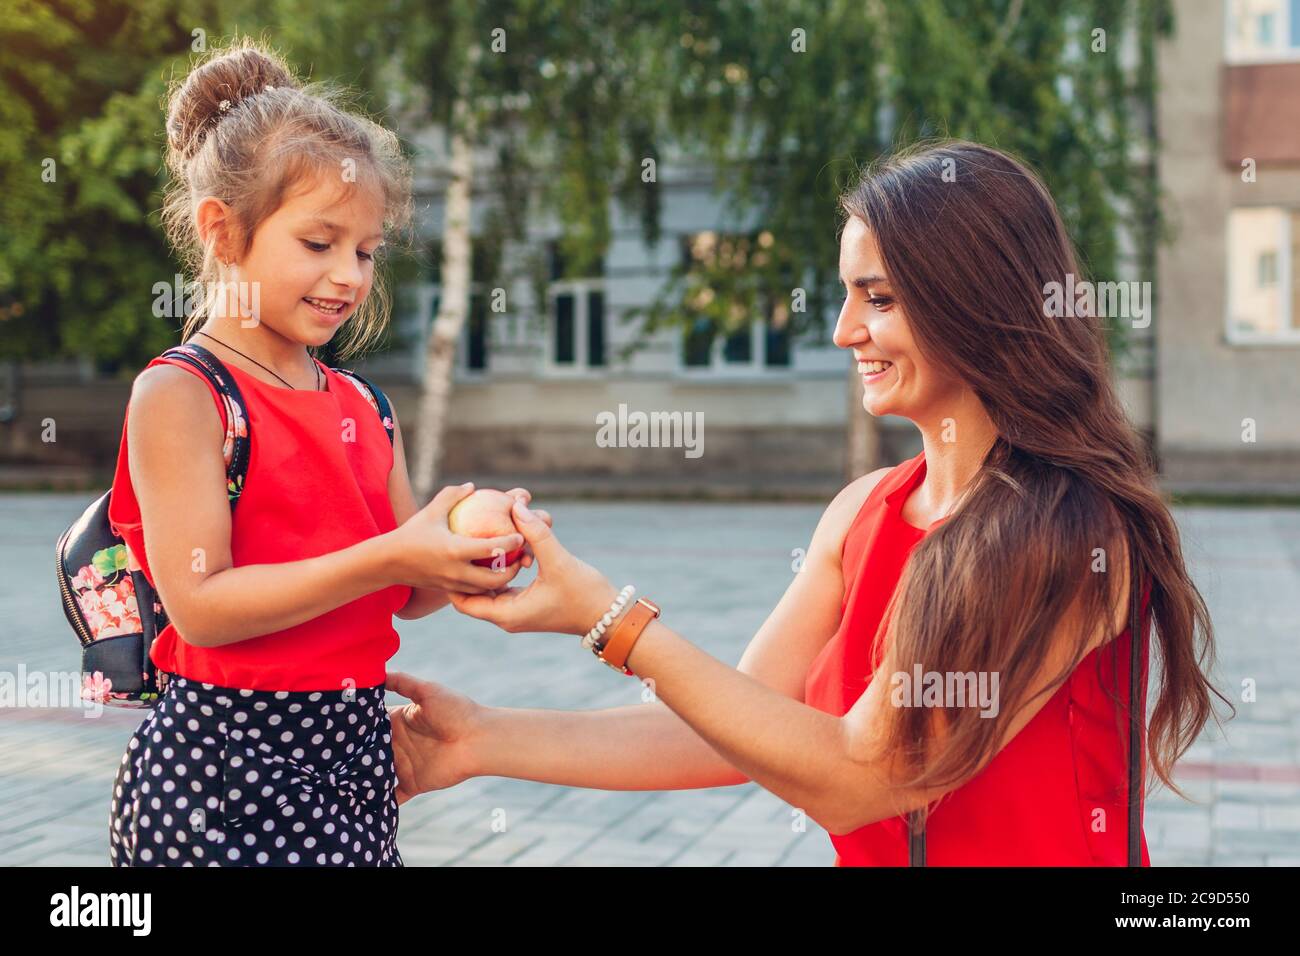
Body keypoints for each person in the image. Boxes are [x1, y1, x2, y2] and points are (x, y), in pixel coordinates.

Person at [385, 140, 1231, 866]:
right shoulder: (864, 511)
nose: (842, 330)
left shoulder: (1066, 530)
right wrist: (482, 737)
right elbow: (731, 730)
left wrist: (609, 619)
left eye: (879, 298)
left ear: (978, 301)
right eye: (847, 293)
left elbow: (860, 779)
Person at [105, 39, 543, 867]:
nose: (348, 274)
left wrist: (464, 549)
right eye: (319, 243)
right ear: (222, 230)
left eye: (367, 251)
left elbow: (405, 591)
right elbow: (201, 604)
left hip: (354, 754)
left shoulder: (366, 408)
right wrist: (394, 552)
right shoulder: (186, 395)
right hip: (224, 771)